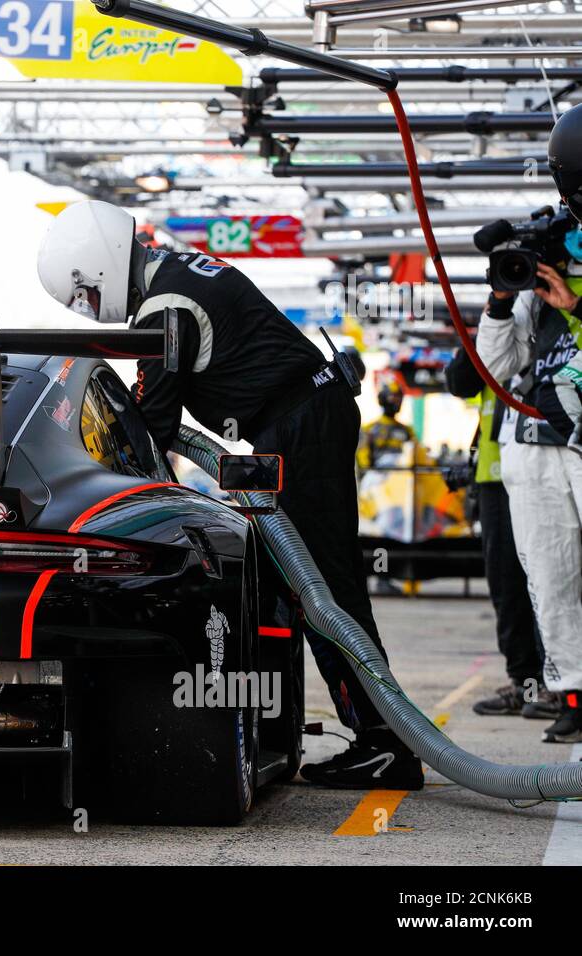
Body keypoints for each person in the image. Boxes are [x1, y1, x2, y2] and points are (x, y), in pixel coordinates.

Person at [37, 200, 423, 789]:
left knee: (322, 590)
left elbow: (154, 425)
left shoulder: (165, 310)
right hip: (307, 415)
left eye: (85, 297)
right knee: (318, 585)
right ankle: (381, 736)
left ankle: (385, 744)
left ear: (101, 267)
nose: (89, 312)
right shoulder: (177, 273)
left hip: (298, 427)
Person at [475, 248, 582, 742]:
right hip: (534, 448)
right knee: (549, 577)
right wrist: (500, 301)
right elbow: (493, 368)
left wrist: (575, 305)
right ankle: (575, 698)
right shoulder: (531, 296)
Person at [445, 336, 552, 718]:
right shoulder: (496, 327)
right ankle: (525, 683)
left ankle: (558, 685)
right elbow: (459, 382)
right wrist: (485, 329)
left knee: (549, 578)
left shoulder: (553, 317)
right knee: (506, 585)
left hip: (545, 465)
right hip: (494, 476)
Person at [357, 374, 415, 471]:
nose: (397, 401)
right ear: (383, 398)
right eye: (393, 397)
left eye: (399, 398)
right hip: (378, 479)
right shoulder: (368, 429)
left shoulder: (407, 431)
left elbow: (416, 453)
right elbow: (363, 462)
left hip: (403, 478)